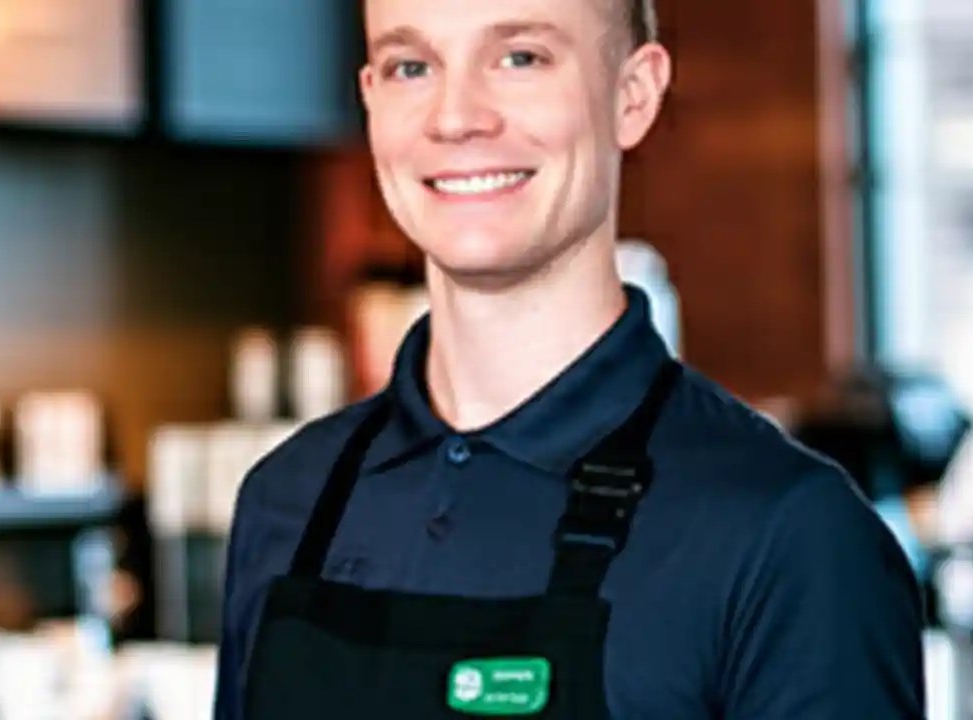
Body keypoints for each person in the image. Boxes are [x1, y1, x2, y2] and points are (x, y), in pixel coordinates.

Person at [213, 0, 926, 717]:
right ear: (370, 99)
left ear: (633, 94)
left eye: (520, 57)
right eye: (412, 66)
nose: (456, 117)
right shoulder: (290, 498)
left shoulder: (792, 539)